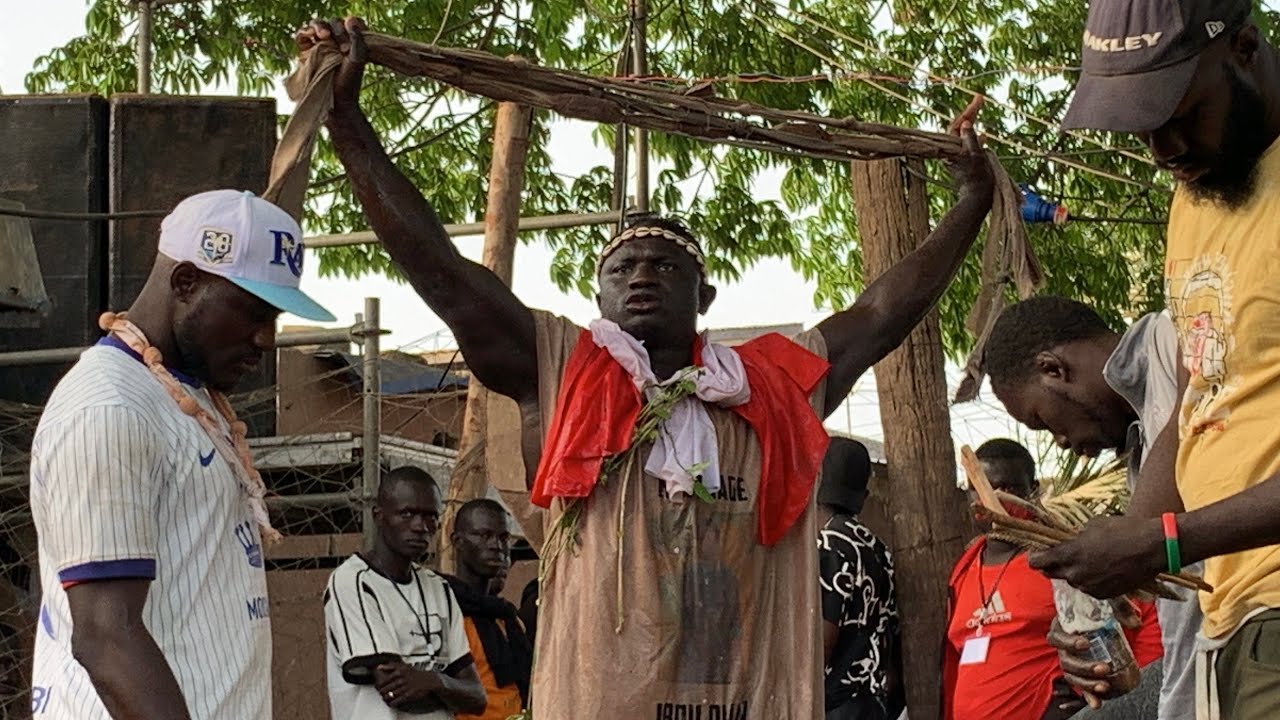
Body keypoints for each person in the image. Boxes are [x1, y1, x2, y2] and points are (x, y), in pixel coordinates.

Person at [298, 16, 995, 716]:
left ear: (705, 295)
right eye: (622, 267)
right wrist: (347, 122)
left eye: (665, 266)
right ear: (597, 296)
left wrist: (971, 203)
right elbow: (442, 273)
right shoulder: (559, 367)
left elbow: (879, 316)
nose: (641, 276)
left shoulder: (769, 385)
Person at [1035, 1, 1280, 715]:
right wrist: (1116, 575)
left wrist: (1164, 545)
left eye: (1181, 114)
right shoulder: (1199, 190)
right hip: (1232, 616)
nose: (1163, 149)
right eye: (1141, 127)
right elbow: (1204, 396)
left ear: (1244, 47)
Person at [27, 189, 333, 719]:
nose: (266, 339)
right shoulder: (110, 407)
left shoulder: (185, 396)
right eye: (255, 312)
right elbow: (105, 637)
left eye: (275, 318)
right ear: (186, 282)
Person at [983, 296, 1199, 718]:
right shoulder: (1138, 436)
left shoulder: (1180, 341)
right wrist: (1084, 615)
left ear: (1053, 369)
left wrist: (1110, 566)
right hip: (1196, 678)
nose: (1062, 442)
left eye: (1043, 421)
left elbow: (1148, 530)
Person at [943, 440, 1163, 720]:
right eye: (981, 487)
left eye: (1009, 488)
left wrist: (1120, 700)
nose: (993, 498)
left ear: (1033, 490)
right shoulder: (964, 570)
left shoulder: (1061, 557)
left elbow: (1145, 614)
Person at [324, 467, 486, 719]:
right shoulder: (354, 581)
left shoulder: (439, 588)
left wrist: (432, 681)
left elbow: (477, 697)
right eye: (407, 514)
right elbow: (395, 692)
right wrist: (449, 687)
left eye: (431, 516)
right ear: (379, 516)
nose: (421, 526)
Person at [817, 438, 902, 720]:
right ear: (864, 496)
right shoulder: (878, 549)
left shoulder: (827, 545)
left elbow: (823, 641)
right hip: (873, 702)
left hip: (835, 704)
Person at [446, 499, 532, 720]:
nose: (496, 546)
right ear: (457, 541)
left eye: (503, 538)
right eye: (484, 535)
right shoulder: (446, 612)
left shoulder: (508, 618)